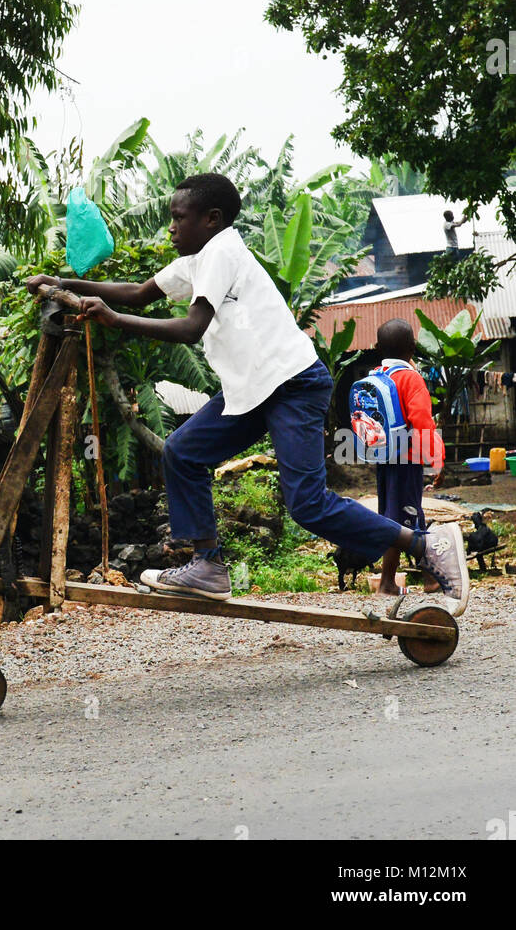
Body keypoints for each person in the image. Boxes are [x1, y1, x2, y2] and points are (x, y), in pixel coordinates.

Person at [26, 173, 470, 615]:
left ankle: (426, 544)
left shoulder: (222, 251)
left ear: (212, 220)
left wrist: (112, 319)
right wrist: (67, 285)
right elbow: (140, 294)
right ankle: (208, 566)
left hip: (292, 384)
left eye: (179, 218)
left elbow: (190, 327)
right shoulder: (198, 260)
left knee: (307, 505)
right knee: (182, 452)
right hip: (256, 389)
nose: (171, 228)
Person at [369, 318, 446, 597]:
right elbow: (423, 423)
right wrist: (436, 459)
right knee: (403, 519)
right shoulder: (410, 378)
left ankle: (431, 578)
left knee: (405, 515)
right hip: (407, 461)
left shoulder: (376, 375)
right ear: (413, 346)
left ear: (378, 348)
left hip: (384, 459)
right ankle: (388, 582)